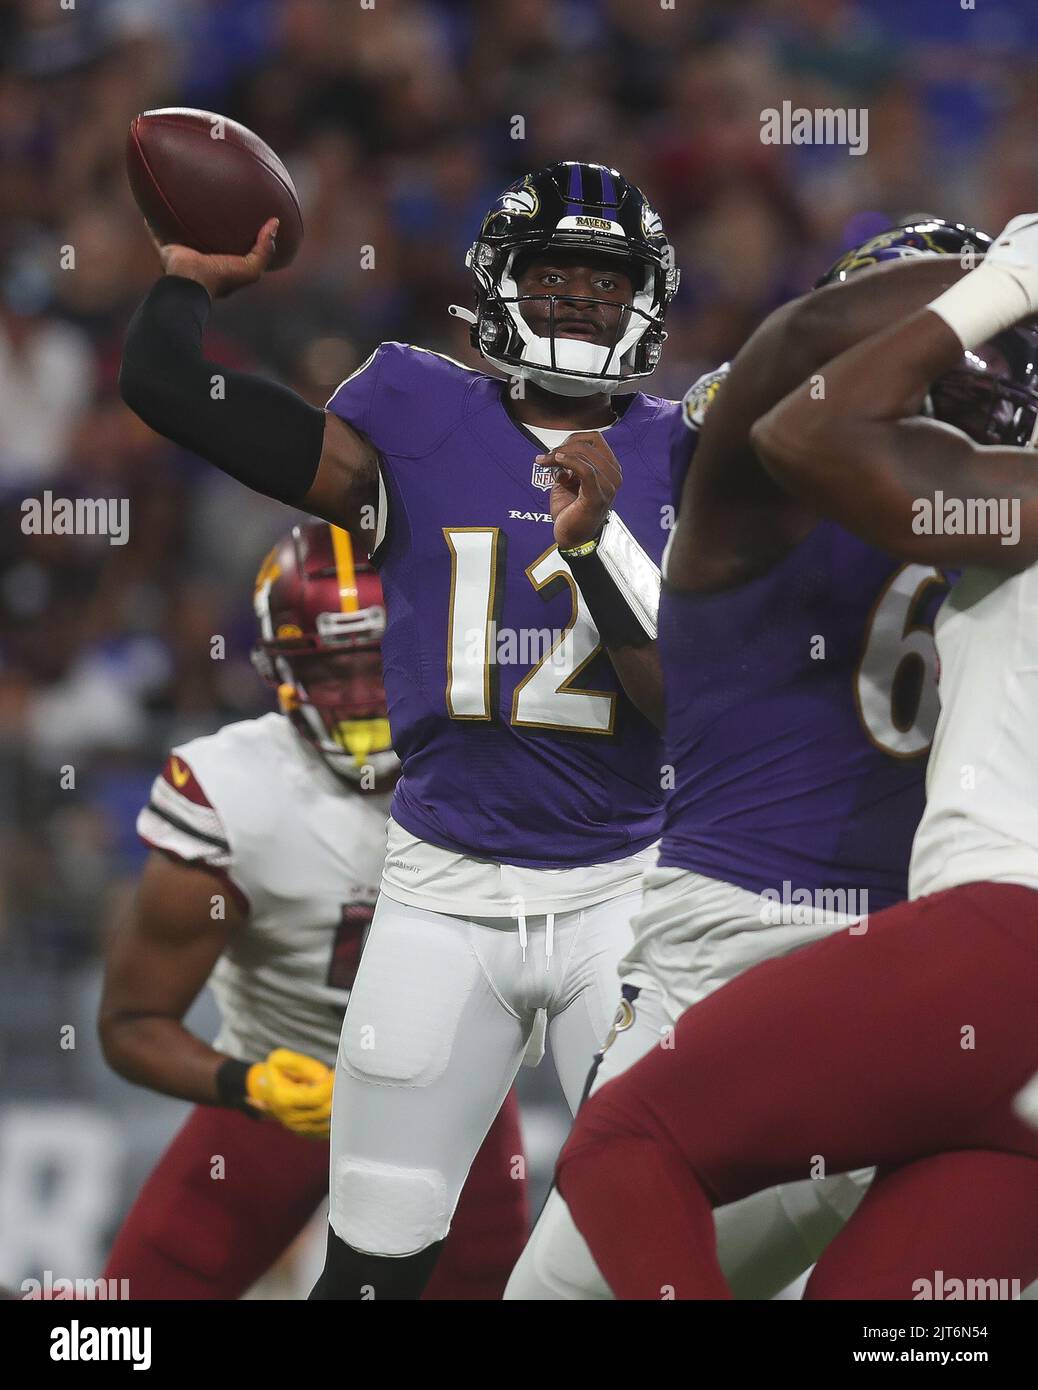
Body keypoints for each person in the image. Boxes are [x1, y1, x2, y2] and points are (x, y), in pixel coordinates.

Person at [119, 161, 691, 1298]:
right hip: (441, 886)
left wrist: (602, 550)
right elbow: (172, 388)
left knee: (674, 1242)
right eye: (555, 273)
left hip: (625, 888)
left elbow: (685, 702)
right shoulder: (419, 418)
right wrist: (186, 279)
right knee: (376, 1262)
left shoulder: (693, 453)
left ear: (649, 298)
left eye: (603, 279)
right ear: (499, 284)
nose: (579, 298)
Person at [507, 218, 1038, 1298]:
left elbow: (794, 380)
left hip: (779, 964)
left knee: (610, 1194)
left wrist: (996, 278)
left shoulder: (821, 466)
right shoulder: (988, 509)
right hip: (937, 989)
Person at [99, 521, 527, 1300]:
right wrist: (248, 1084)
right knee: (119, 1330)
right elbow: (130, 1026)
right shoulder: (235, 794)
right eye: (333, 672)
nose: (364, 697)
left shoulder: (511, 757)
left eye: (380, 664)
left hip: (453, 1107)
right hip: (288, 1086)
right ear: (278, 669)